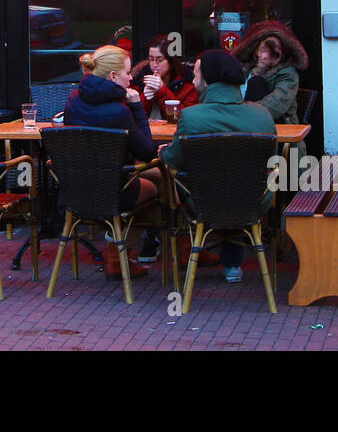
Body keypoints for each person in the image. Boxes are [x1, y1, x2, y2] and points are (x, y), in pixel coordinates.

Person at [159, 49, 275, 282]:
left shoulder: (191, 117)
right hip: (253, 202)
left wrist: (164, 153)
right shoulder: (262, 115)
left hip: (202, 202)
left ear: (209, 80)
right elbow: (269, 161)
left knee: (203, 183)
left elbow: (173, 161)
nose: (193, 80)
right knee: (235, 182)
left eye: (196, 74)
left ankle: (167, 250)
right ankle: (232, 263)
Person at [62, 45, 159, 281]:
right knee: (159, 188)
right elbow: (147, 152)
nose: (132, 77)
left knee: (157, 177)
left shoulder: (73, 100)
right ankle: (120, 251)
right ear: (113, 76)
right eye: (128, 73)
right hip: (113, 191)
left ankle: (119, 253)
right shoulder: (119, 110)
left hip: (76, 191)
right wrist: (137, 107)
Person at [232, 21, 308, 127]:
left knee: (256, 82)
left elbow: (275, 105)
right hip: (244, 128)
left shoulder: (288, 74)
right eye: (264, 50)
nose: (266, 56)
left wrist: (237, 115)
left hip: (279, 133)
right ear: (257, 50)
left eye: (273, 52)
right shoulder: (245, 69)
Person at [131, 34, 199, 121]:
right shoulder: (139, 79)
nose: (154, 65)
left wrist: (161, 91)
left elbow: (184, 119)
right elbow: (133, 117)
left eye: (160, 60)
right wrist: (146, 96)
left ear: (171, 60)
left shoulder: (187, 83)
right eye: (151, 59)